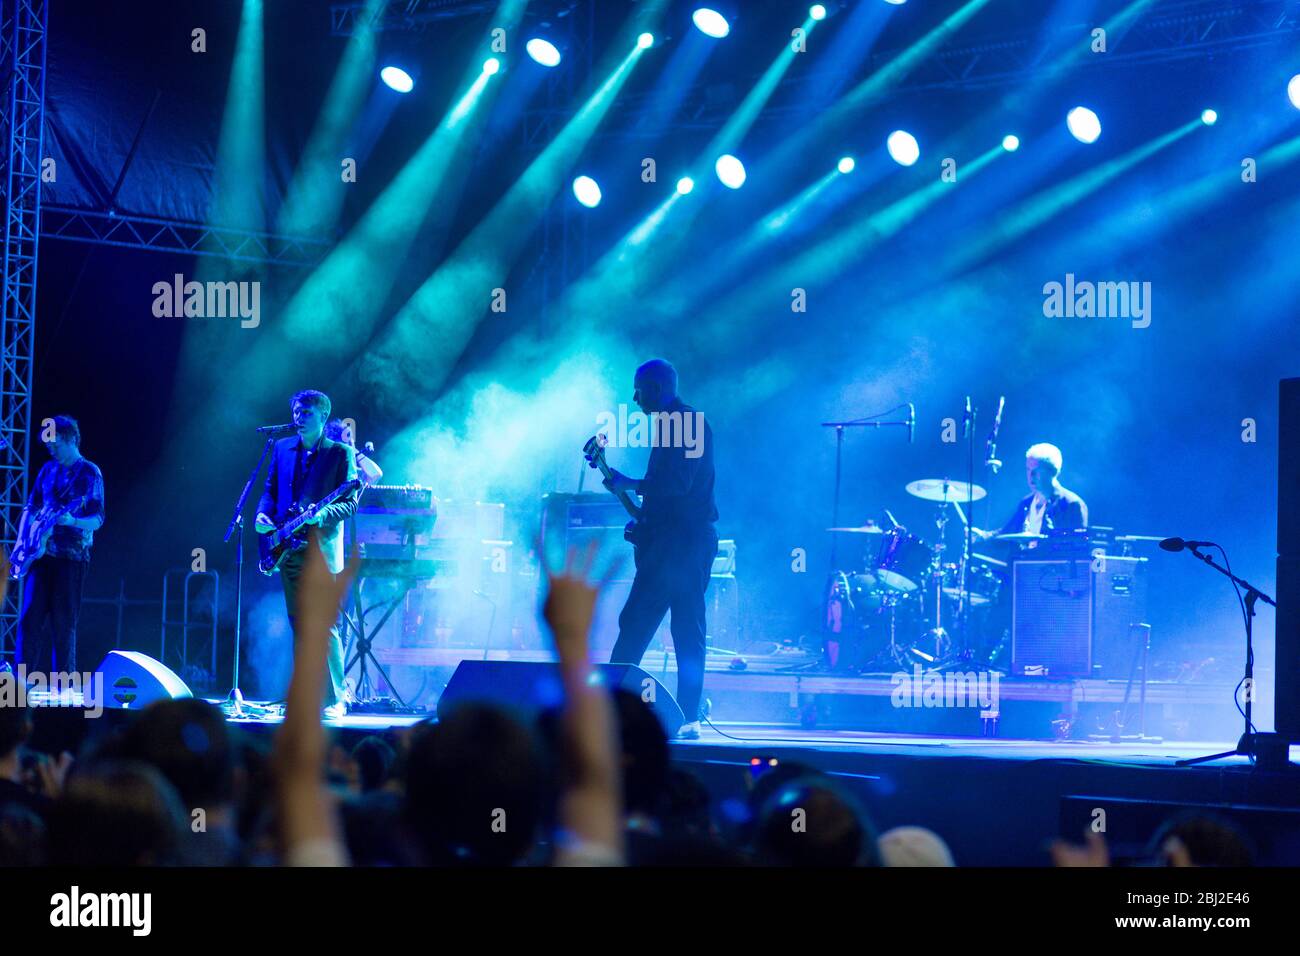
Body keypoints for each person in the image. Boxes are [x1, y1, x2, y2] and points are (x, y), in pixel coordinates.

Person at [602, 359, 718, 740]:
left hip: (683, 546)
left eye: (639, 389)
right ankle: (679, 715)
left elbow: (679, 484)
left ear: (656, 387)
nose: (634, 398)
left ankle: (680, 715)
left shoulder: (688, 423)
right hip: (672, 543)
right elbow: (666, 494)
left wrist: (631, 482)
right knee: (664, 625)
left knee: (658, 624)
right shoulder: (671, 426)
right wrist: (638, 511)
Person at [255, 390, 360, 718]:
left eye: (307, 413)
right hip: (288, 548)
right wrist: (263, 516)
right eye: (297, 412)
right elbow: (270, 490)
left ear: (323, 417)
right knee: (299, 623)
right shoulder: (282, 448)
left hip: (323, 551)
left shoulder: (341, 454)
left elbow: (351, 502)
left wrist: (322, 516)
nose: (299, 418)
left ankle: (336, 699)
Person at [16, 415, 105, 674]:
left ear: (71, 439)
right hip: (41, 557)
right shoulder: (47, 470)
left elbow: (98, 519)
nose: (50, 449)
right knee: (29, 621)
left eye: (55, 444)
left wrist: (72, 520)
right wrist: (23, 541)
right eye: (48, 445)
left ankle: (64, 687)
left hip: (72, 559)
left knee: (63, 623)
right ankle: (20, 682)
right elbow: (30, 508)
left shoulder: (89, 472)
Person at [977, 442, 1087, 540]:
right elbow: (1007, 532)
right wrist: (983, 536)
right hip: (1024, 562)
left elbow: (1079, 546)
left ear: (1052, 472)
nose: (1030, 476)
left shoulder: (1072, 505)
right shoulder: (1026, 502)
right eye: (1028, 469)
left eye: (1036, 471)